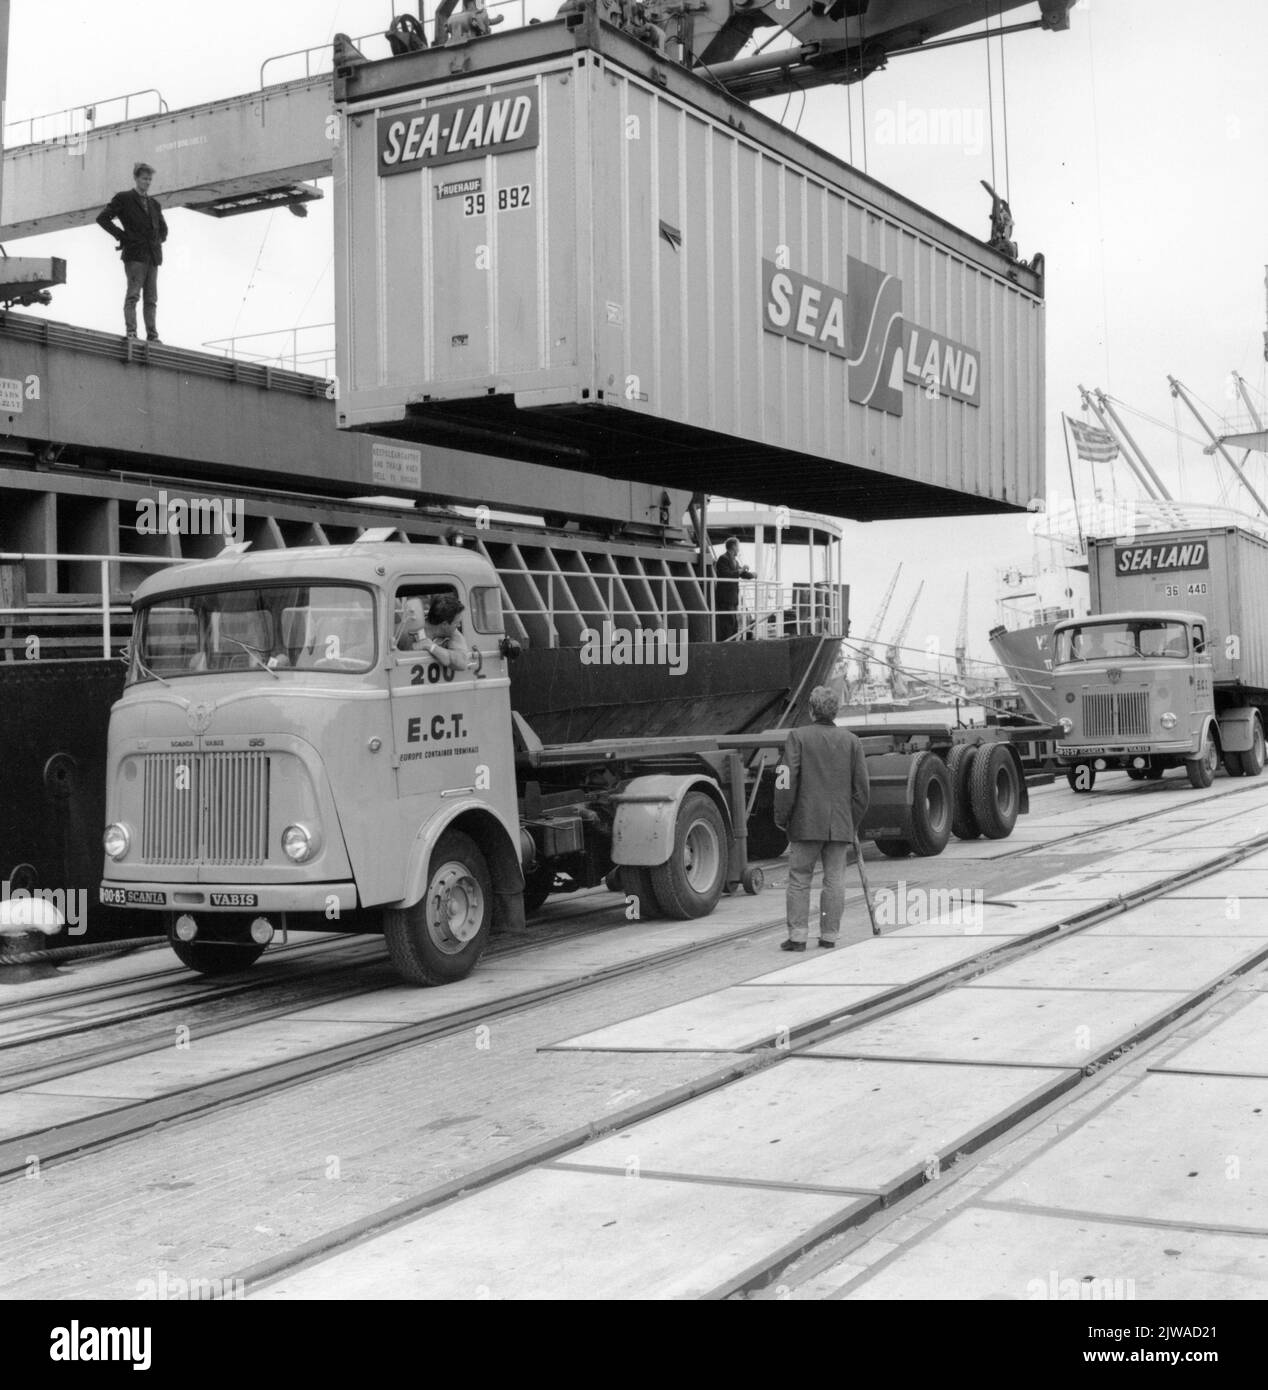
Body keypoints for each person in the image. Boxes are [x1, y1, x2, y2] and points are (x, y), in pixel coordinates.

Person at [773, 684, 870, 951]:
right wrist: (852, 822)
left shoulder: (797, 737)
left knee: (799, 878)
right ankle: (829, 935)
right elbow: (862, 790)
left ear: (812, 710)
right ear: (835, 711)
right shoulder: (851, 741)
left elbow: (785, 781)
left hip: (805, 823)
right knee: (835, 880)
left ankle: (798, 936)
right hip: (840, 823)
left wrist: (782, 816)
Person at [96, 162, 168, 342]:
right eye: (145, 179)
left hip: (151, 256)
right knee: (133, 295)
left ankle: (152, 335)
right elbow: (102, 218)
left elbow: (164, 229)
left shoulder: (154, 204)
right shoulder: (124, 198)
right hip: (135, 255)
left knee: (151, 298)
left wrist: (156, 241)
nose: (147, 182)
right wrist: (122, 236)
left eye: (150, 179)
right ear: (136, 178)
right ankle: (132, 332)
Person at [397, 593, 472, 671]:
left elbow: (462, 663)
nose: (459, 625)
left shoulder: (453, 632)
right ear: (445, 624)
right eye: (457, 622)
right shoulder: (407, 632)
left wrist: (431, 647)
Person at [714, 536, 753, 642]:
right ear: (734, 547)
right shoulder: (723, 559)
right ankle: (726, 644)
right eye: (738, 546)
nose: (738, 549)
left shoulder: (734, 561)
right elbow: (726, 574)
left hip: (732, 598)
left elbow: (742, 573)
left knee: (733, 624)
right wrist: (741, 571)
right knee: (727, 623)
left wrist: (752, 575)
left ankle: (731, 643)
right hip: (725, 598)